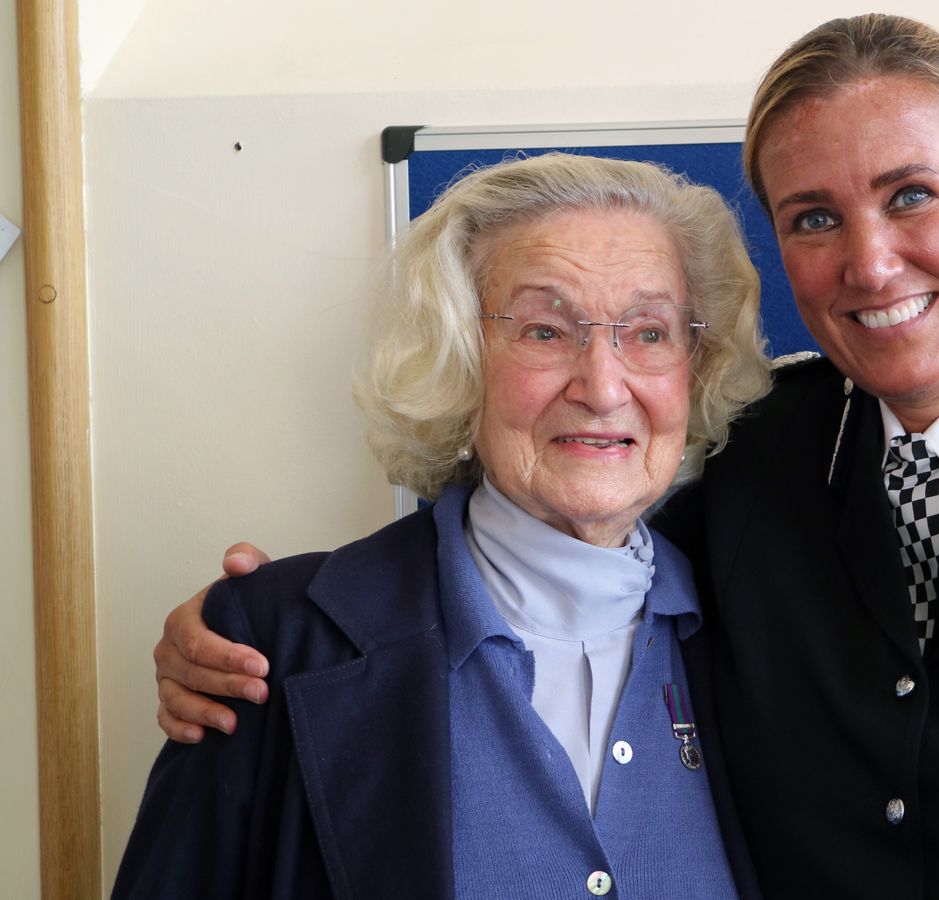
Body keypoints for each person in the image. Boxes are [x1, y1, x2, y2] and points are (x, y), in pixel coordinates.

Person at [148, 14, 939, 898]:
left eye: (910, 193)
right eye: (814, 218)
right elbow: (543, 517)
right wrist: (250, 621)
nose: (868, 262)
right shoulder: (754, 464)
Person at [115, 153, 771, 897]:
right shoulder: (273, 643)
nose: (602, 384)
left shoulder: (762, 638)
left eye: (648, 332)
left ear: (696, 363)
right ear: (460, 361)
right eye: (545, 331)